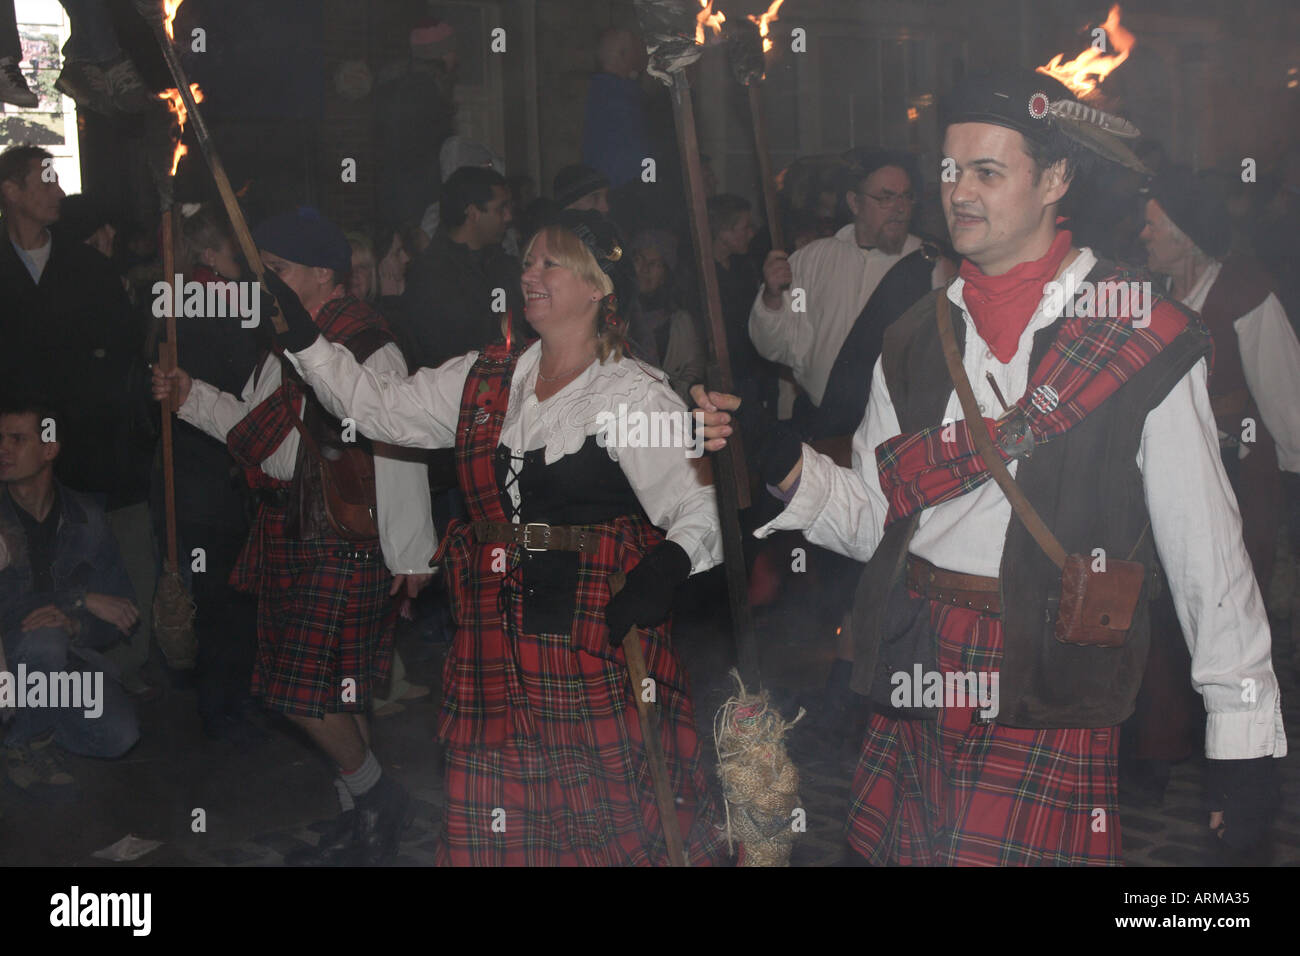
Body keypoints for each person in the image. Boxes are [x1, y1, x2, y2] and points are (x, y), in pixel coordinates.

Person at [694, 69, 1286, 865]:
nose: (958, 192)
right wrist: (779, 459)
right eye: (949, 170)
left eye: (986, 171)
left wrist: (1244, 743)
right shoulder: (913, 337)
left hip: (1044, 669)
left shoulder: (1141, 334)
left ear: (1055, 180)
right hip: (915, 656)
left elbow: (1208, 562)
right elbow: (877, 519)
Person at [267, 209, 729, 866]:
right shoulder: (488, 377)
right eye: (528, 261)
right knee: (497, 823)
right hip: (489, 631)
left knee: (606, 824)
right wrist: (304, 337)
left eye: (551, 263)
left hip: (590, 635)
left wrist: (668, 565)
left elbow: (698, 503)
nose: (530, 273)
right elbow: (380, 409)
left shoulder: (630, 394)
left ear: (599, 287)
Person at [150, 207, 436, 866]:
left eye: (276, 271)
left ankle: (378, 796)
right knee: (337, 689)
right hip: (293, 528)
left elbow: (400, 445)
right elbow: (258, 434)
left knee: (297, 692)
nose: (266, 284)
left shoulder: (367, 345)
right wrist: (190, 394)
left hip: (347, 537)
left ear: (323, 275)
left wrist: (413, 548)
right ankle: (362, 818)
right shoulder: (284, 344)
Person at [0, 144, 156, 699]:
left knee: (103, 538)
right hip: (14, 442)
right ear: (11, 190)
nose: (57, 193)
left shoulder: (85, 265)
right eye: (44, 181)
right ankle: (30, 666)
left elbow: (119, 346)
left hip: (87, 438)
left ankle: (121, 661)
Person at [150, 203, 262, 744]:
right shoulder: (210, 304)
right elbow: (244, 381)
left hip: (203, 472)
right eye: (236, 252)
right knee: (221, 593)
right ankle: (225, 706)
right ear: (213, 254)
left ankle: (223, 700)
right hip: (207, 475)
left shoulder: (180, 298)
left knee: (218, 590)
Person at [750, 150, 946, 436]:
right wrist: (772, 297)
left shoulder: (930, 265)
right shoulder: (812, 260)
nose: (900, 207)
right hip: (821, 425)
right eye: (886, 197)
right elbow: (780, 345)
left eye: (906, 196)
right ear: (855, 202)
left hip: (896, 432)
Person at [0, 401, 140, 795]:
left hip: (58, 664)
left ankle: (31, 725)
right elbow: (9, 610)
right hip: (5, 663)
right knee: (45, 637)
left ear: (49, 448)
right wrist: (79, 600)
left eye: (16, 439)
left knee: (119, 734)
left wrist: (77, 622)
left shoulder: (87, 517)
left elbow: (121, 614)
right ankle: (24, 743)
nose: (2, 449)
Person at [398, 165, 523, 372]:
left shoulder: (502, 265)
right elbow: (440, 352)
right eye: (500, 208)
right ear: (473, 213)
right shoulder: (433, 275)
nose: (508, 216)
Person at [628, 229, 704, 404]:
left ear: (665, 274)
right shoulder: (617, 317)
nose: (645, 269)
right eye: (639, 260)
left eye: (654, 264)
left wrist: (675, 394)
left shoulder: (680, 322)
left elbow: (693, 366)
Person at [582, 27, 651, 190]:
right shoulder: (615, 98)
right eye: (637, 49)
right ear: (622, 55)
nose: (643, 55)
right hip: (625, 192)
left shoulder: (612, 91)